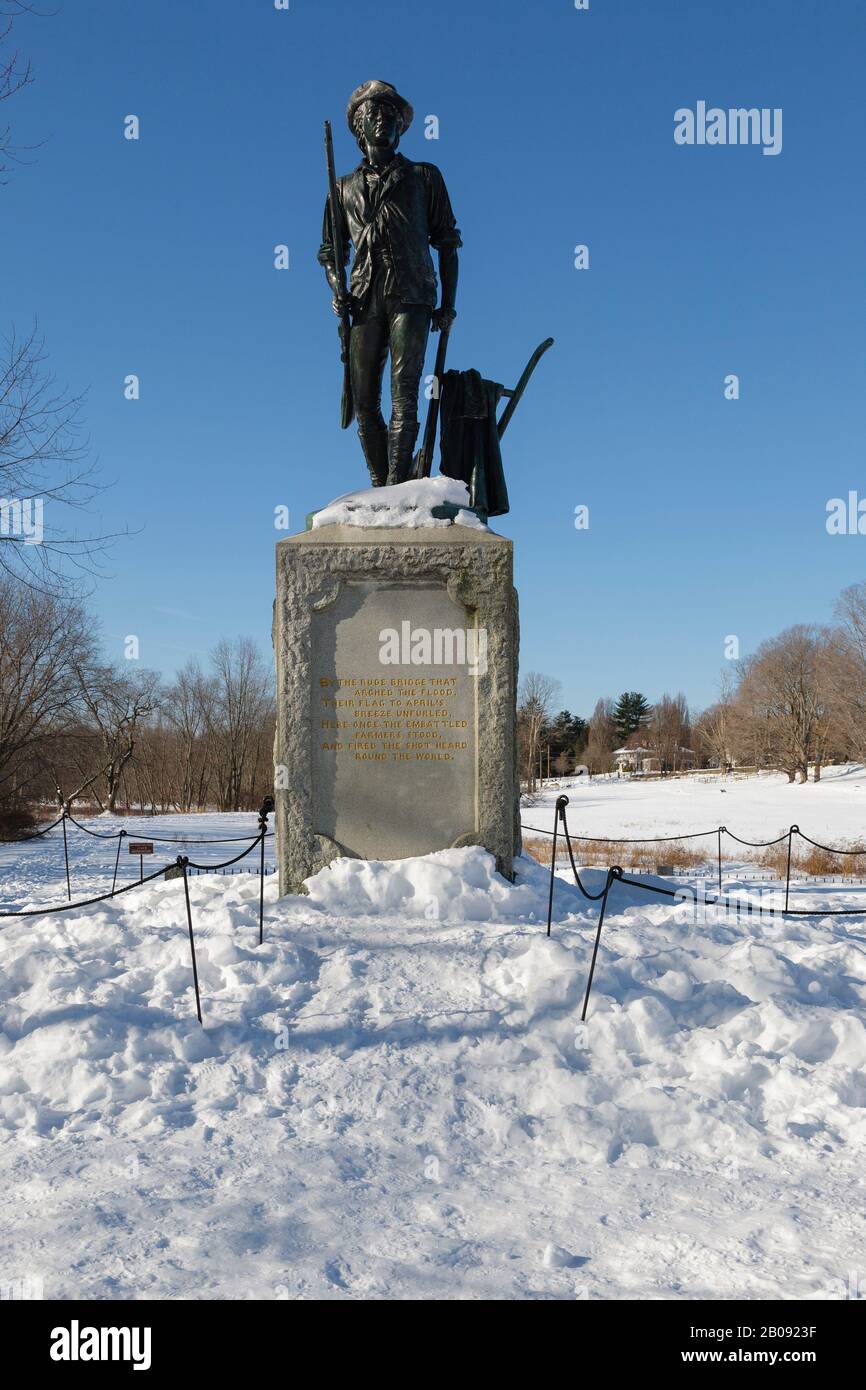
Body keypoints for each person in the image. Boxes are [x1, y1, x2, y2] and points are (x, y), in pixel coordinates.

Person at [318, 80, 461, 486]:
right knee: (363, 400)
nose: (381, 120)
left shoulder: (424, 177)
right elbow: (331, 252)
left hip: (411, 292)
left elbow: (448, 243)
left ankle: (398, 488)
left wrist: (448, 304)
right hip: (363, 297)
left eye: (389, 114)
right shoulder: (341, 189)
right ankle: (380, 487)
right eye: (372, 114)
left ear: (401, 126)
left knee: (405, 393)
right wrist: (337, 290)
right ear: (358, 129)